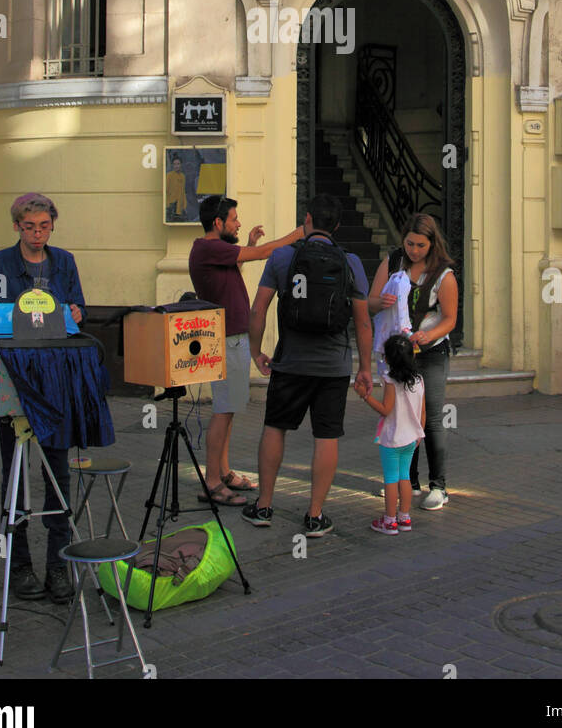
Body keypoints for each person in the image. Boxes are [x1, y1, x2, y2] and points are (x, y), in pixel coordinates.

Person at [0, 192, 85, 602]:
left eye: (44, 225)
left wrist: (76, 312)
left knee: (57, 472)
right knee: (15, 473)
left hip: (55, 375)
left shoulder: (65, 262)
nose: (37, 233)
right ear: (17, 226)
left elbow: (78, 307)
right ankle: (19, 563)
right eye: (29, 226)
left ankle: (59, 565)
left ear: (52, 224)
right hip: (12, 376)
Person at [243, 193, 373, 537]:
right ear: (338, 226)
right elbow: (362, 322)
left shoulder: (282, 256)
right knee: (326, 436)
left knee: (275, 427)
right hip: (333, 366)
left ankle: (264, 506)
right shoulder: (351, 262)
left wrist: (256, 352)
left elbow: (258, 310)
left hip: (289, 363)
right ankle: (315, 516)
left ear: (308, 219)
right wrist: (366, 368)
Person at [188, 195, 304, 506]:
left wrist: (247, 244)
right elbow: (265, 253)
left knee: (228, 410)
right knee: (222, 412)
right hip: (225, 339)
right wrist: (298, 233)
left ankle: (223, 472)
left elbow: (234, 267)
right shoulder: (208, 246)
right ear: (218, 223)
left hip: (231, 338)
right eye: (234, 219)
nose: (238, 223)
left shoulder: (214, 251)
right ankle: (212, 482)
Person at [368, 212, 457, 510]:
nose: (414, 250)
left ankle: (439, 486)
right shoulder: (393, 262)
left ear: (432, 243)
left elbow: (450, 319)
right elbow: (370, 301)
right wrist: (382, 302)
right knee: (402, 414)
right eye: (410, 243)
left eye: (421, 245)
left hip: (430, 352)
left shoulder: (443, 273)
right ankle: (409, 481)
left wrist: (427, 336)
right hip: (399, 353)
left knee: (430, 416)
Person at [356, 332, 425, 535]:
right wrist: (419, 432)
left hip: (392, 437)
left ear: (386, 359)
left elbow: (386, 409)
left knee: (391, 478)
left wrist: (365, 397)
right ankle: (404, 517)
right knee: (405, 477)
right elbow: (423, 410)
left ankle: (389, 520)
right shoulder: (419, 380)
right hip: (412, 437)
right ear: (412, 355)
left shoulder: (390, 381)